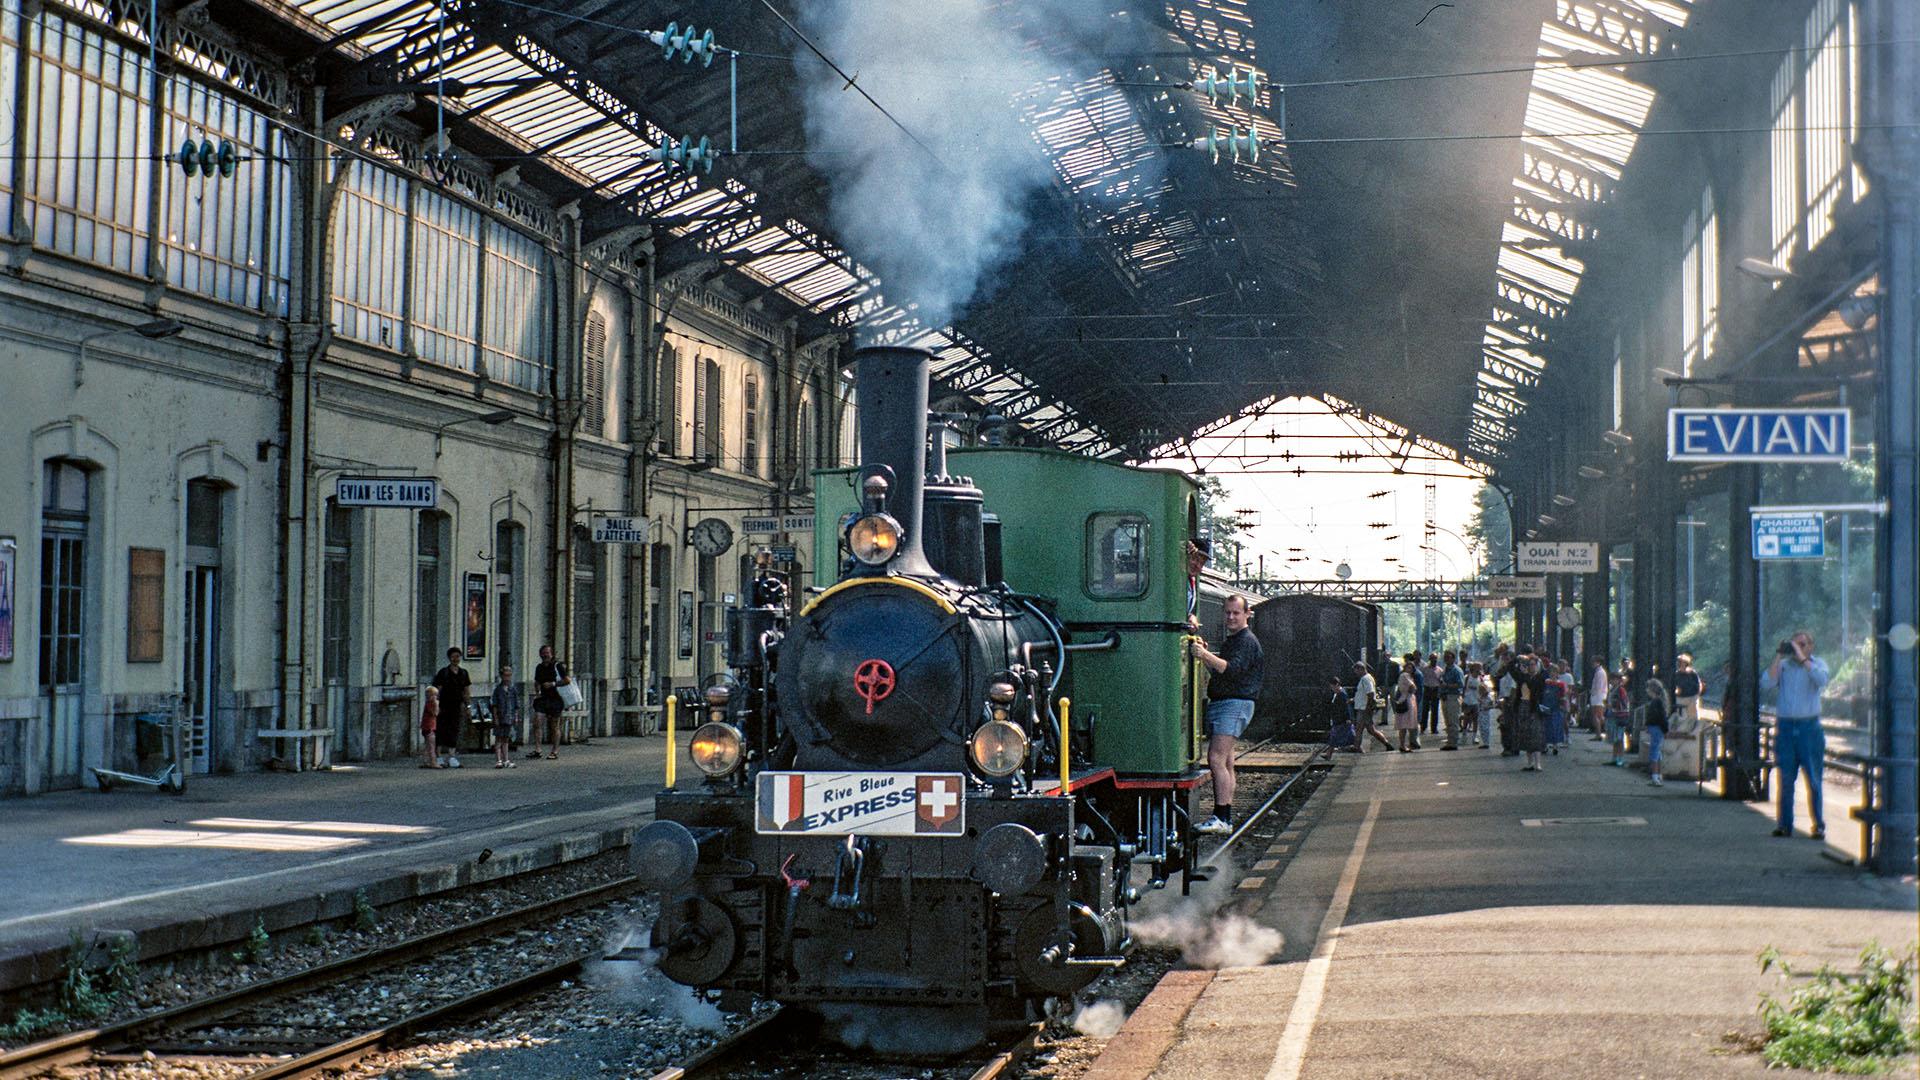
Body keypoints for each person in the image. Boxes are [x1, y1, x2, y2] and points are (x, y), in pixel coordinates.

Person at [1190, 594, 1261, 835]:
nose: (1231, 617)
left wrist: (1204, 655)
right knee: (1228, 762)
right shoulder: (1235, 640)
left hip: (1234, 703)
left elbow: (1232, 670)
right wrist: (1209, 657)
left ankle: (1220, 817)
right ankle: (1225, 816)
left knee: (1216, 759)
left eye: (1236, 613)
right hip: (1229, 702)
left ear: (1247, 614)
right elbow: (1222, 670)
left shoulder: (1246, 641)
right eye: (1228, 613)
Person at [1760, 630, 1830, 839]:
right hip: (1786, 728)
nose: (1797, 648)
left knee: (1814, 779)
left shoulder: (1818, 665)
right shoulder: (1783, 666)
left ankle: (1818, 825)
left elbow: (1821, 680)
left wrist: (1803, 658)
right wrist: (1780, 654)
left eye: (1802, 644)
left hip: (1810, 728)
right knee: (1786, 779)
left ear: (1811, 646)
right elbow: (1766, 682)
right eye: (1795, 644)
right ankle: (1784, 824)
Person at [430, 646, 471, 768]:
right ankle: (438, 756)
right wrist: (436, 705)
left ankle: (452, 756)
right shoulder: (444, 672)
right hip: (443, 706)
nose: (455, 659)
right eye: (453, 657)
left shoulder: (463, 673)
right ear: (449, 658)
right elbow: (438, 690)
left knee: (454, 730)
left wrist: (467, 706)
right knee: (441, 730)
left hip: (456, 706)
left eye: (458, 656)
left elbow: (466, 691)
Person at [530, 644, 570, 760]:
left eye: (547, 653)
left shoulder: (557, 666)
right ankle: (538, 749)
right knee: (537, 721)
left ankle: (555, 751)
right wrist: (537, 692)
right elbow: (537, 681)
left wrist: (552, 684)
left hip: (556, 698)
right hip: (543, 699)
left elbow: (567, 680)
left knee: (554, 725)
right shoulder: (539, 667)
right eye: (543, 653)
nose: (545, 655)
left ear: (551, 654)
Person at [1509, 650, 1547, 770]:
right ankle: (1530, 763)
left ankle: (1538, 763)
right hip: (1523, 706)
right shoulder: (1522, 677)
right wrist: (1517, 659)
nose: (1531, 667)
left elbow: (1534, 684)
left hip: (1534, 707)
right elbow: (1510, 669)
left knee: (1536, 734)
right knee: (1526, 734)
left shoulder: (1540, 677)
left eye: (1533, 664)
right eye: (1528, 665)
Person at [1352, 663, 1393, 751]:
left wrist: (1368, 707)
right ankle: (1387, 744)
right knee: (1371, 730)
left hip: (1364, 708)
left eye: (1356, 671)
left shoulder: (1365, 679)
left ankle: (1357, 747)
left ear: (1361, 669)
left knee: (1359, 728)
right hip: (1363, 707)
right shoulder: (1368, 678)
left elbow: (1370, 693)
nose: (1356, 674)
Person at [1642, 676, 1671, 786]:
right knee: (1658, 752)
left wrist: (1664, 729)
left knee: (1653, 752)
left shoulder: (1656, 702)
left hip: (1656, 728)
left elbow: (1659, 717)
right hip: (1658, 728)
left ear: (1652, 690)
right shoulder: (1660, 701)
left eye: (1648, 688)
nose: (1646, 690)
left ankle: (1654, 777)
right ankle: (1659, 775)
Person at [491, 665, 519, 769]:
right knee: (499, 739)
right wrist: (495, 718)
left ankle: (506, 759)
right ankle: (498, 760)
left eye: (509, 675)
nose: (507, 678)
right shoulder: (497, 690)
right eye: (505, 675)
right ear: (501, 676)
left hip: (509, 717)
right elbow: (494, 705)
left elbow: (516, 705)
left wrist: (515, 717)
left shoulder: (512, 690)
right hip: (500, 716)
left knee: (506, 739)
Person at [1392, 652, 1421, 752]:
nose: (1410, 670)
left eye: (1411, 668)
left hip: (1406, 699)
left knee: (1404, 725)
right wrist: (1412, 689)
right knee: (1405, 724)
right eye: (1408, 668)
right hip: (1407, 700)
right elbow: (1413, 688)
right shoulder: (1405, 676)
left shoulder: (1404, 675)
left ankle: (1403, 744)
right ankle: (1403, 745)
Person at [1605, 667, 1633, 767]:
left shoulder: (1620, 690)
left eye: (1613, 679)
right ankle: (1615, 758)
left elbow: (1623, 703)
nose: (1612, 681)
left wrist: (1612, 704)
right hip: (1613, 715)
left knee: (1619, 739)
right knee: (1615, 738)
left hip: (1619, 716)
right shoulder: (1613, 689)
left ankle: (1620, 758)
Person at [1671, 653, 1702, 736]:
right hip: (1681, 698)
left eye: (1681, 662)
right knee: (1682, 717)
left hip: (1692, 698)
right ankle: (1682, 732)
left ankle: (1694, 732)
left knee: (1693, 717)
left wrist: (1696, 696)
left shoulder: (1692, 673)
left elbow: (1698, 685)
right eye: (1679, 662)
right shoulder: (1676, 674)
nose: (1680, 664)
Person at [1439, 650, 1464, 750]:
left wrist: (1448, 685)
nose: (1446, 659)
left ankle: (1453, 743)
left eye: (1448, 657)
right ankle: (1450, 740)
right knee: (1448, 720)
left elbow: (1460, 684)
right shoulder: (1445, 670)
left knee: (1453, 720)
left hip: (1453, 697)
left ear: (1453, 658)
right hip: (1445, 696)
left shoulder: (1456, 670)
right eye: (1445, 657)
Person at [1325, 675, 1357, 752]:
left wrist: (1348, 718)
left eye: (1332, 687)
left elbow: (1346, 707)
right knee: (1339, 734)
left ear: (1336, 685)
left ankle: (1329, 753)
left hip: (1341, 719)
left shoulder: (1342, 694)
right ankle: (1330, 752)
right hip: (1339, 719)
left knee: (1335, 735)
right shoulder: (1338, 693)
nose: (1331, 688)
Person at [1185, 538, 1210, 628]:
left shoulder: (1192, 582)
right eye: (1195, 559)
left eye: (1202, 563)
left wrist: (1190, 616)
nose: (1197, 565)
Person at [419, 685, 442, 769]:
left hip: (427, 726)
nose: (435, 697)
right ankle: (433, 762)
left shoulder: (428, 704)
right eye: (434, 695)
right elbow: (435, 714)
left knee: (427, 745)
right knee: (432, 745)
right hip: (428, 727)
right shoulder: (429, 704)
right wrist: (436, 705)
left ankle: (424, 761)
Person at [1420, 653, 1442, 735]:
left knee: (1435, 710)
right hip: (1427, 689)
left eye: (1435, 658)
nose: (1434, 660)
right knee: (1425, 709)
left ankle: (1434, 728)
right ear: (1429, 659)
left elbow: (1441, 681)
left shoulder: (1439, 670)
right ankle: (1423, 727)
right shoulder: (1424, 669)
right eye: (1432, 658)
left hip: (1435, 690)